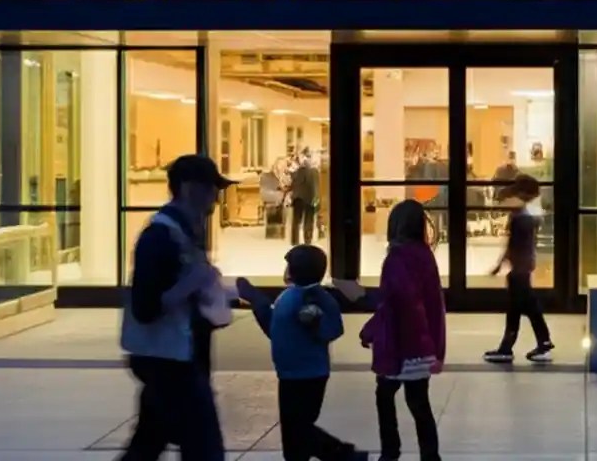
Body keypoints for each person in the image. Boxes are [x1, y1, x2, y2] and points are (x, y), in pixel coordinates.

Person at [119, 154, 235, 460]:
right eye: (212, 188)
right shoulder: (159, 237)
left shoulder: (185, 233)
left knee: (148, 443)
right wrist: (193, 283)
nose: (216, 197)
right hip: (170, 362)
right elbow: (145, 307)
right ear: (188, 189)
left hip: (177, 357)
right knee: (204, 449)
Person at [236, 247, 366, 461]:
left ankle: (344, 455)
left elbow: (333, 329)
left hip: (308, 375)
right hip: (289, 374)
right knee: (294, 432)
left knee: (298, 430)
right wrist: (256, 301)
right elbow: (275, 329)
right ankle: (341, 455)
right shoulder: (289, 297)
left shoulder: (317, 298)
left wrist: (315, 323)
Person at [359, 200, 445, 461]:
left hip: (399, 344)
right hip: (422, 345)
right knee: (419, 403)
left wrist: (371, 328)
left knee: (384, 396)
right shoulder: (424, 255)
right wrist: (436, 348)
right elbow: (433, 304)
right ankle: (430, 455)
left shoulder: (396, 258)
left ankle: (390, 452)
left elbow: (394, 302)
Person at [483, 173, 553, 364]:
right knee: (523, 308)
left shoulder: (521, 218)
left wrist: (501, 265)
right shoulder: (525, 215)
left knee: (523, 308)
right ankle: (519, 345)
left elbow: (513, 246)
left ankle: (521, 345)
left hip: (520, 270)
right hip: (522, 267)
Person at [290, 150, 320, 245]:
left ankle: (294, 240)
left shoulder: (296, 172)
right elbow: (315, 187)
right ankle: (307, 240)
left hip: (297, 198)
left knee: (296, 220)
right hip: (309, 198)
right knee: (308, 220)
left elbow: (292, 183)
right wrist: (316, 199)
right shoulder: (314, 172)